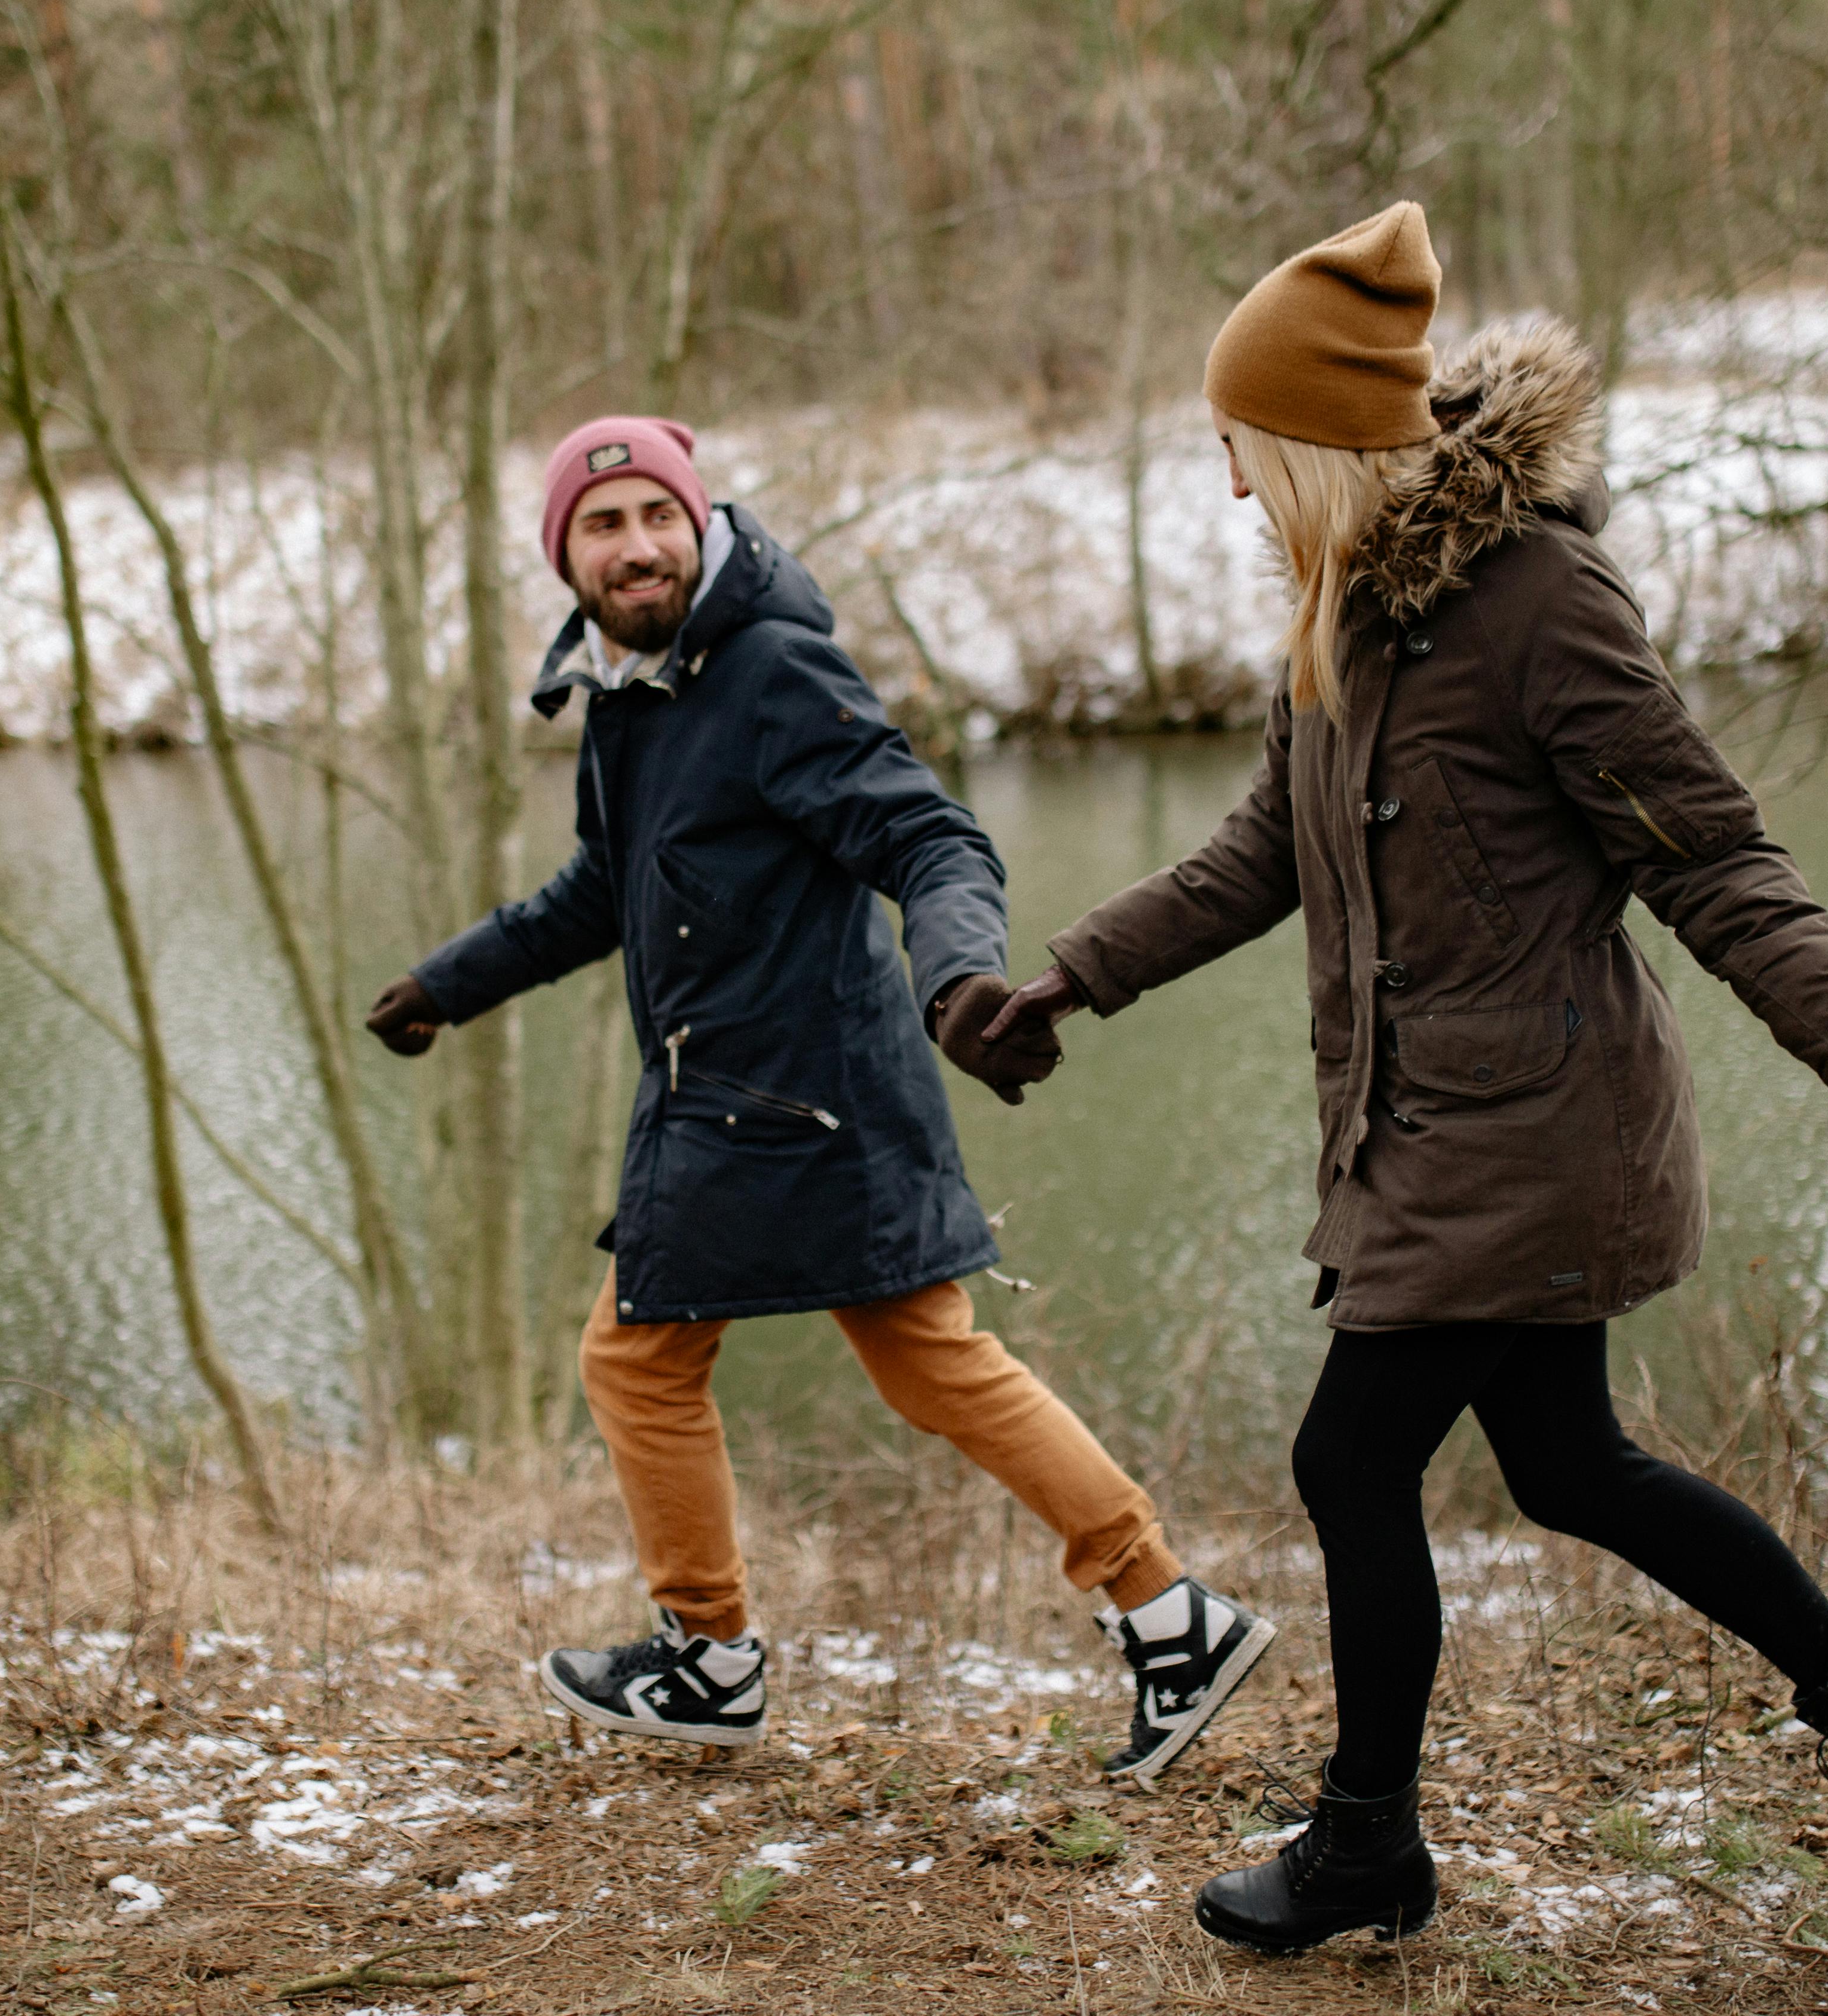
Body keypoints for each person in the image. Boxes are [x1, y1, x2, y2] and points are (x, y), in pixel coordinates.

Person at [978, 205, 1828, 1953]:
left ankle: (1366, 1844)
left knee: (1349, 1458)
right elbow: (1264, 851)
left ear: (1318, 441)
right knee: (1570, 1468)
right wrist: (1073, 977)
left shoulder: (1542, 598)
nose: (1236, 493)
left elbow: (1715, 858)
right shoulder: (1342, 614)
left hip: (1542, 1136)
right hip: (1431, 1134)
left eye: (1246, 453)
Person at [363, 415, 1273, 1782]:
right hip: (754, 1101)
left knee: (643, 1361)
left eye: (654, 516)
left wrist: (961, 979)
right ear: (564, 556)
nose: (634, 546)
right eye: (600, 527)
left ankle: (712, 1660)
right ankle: (1169, 1616)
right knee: (929, 1365)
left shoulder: (767, 671)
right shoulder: (636, 698)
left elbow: (929, 835)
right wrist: (449, 982)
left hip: (787, 1104)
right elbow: (603, 892)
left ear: (698, 523)